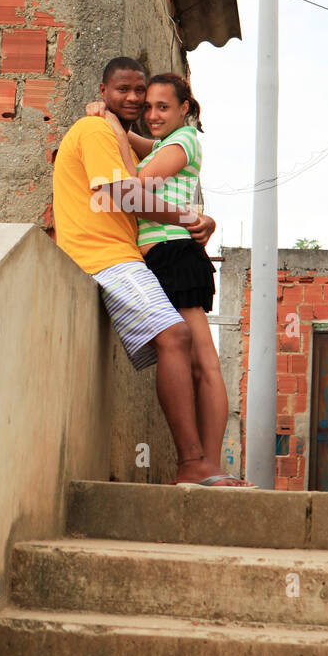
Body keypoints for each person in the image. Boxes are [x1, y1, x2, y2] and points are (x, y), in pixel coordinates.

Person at [52, 56, 253, 488]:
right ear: (102, 91)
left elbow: (134, 178)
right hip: (107, 256)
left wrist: (196, 219)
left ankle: (198, 463)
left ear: (185, 109)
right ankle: (195, 463)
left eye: (141, 92)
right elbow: (125, 192)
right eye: (123, 91)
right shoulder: (94, 130)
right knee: (180, 340)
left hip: (138, 254)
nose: (136, 100)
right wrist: (189, 217)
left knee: (188, 347)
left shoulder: (164, 141)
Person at [86, 73, 228, 470]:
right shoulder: (164, 144)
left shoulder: (184, 140)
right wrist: (111, 117)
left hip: (175, 253)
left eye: (162, 107)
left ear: (185, 108)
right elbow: (137, 145)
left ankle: (210, 466)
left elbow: (135, 183)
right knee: (195, 360)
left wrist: (113, 124)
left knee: (204, 363)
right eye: (146, 107)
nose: (151, 115)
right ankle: (205, 465)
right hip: (164, 255)